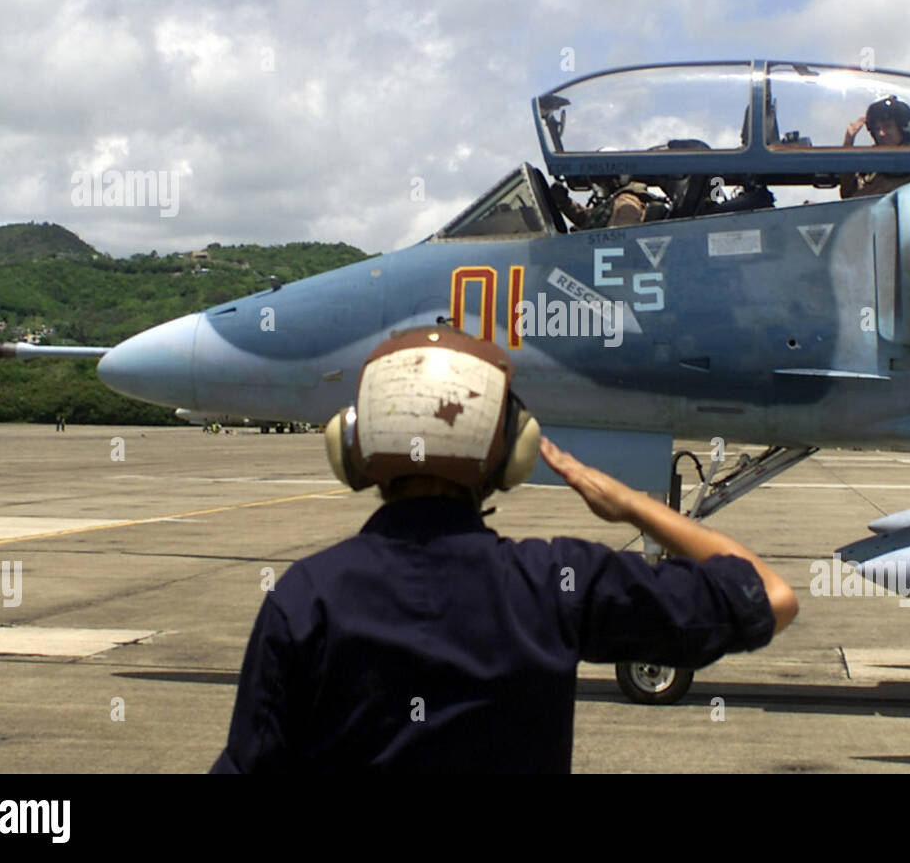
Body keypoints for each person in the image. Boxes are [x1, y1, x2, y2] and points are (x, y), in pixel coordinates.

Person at [211, 325, 796, 773]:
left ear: (354, 445)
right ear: (511, 449)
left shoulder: (306, 598)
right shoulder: (558, 582)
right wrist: (633, 505)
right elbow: (771, 596)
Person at [838, 95, 910, 199]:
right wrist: (848, 144)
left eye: (887, 126)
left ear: (903, 128)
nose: (881, 133)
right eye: (877, 129)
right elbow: (848, 194)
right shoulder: (870, 168)